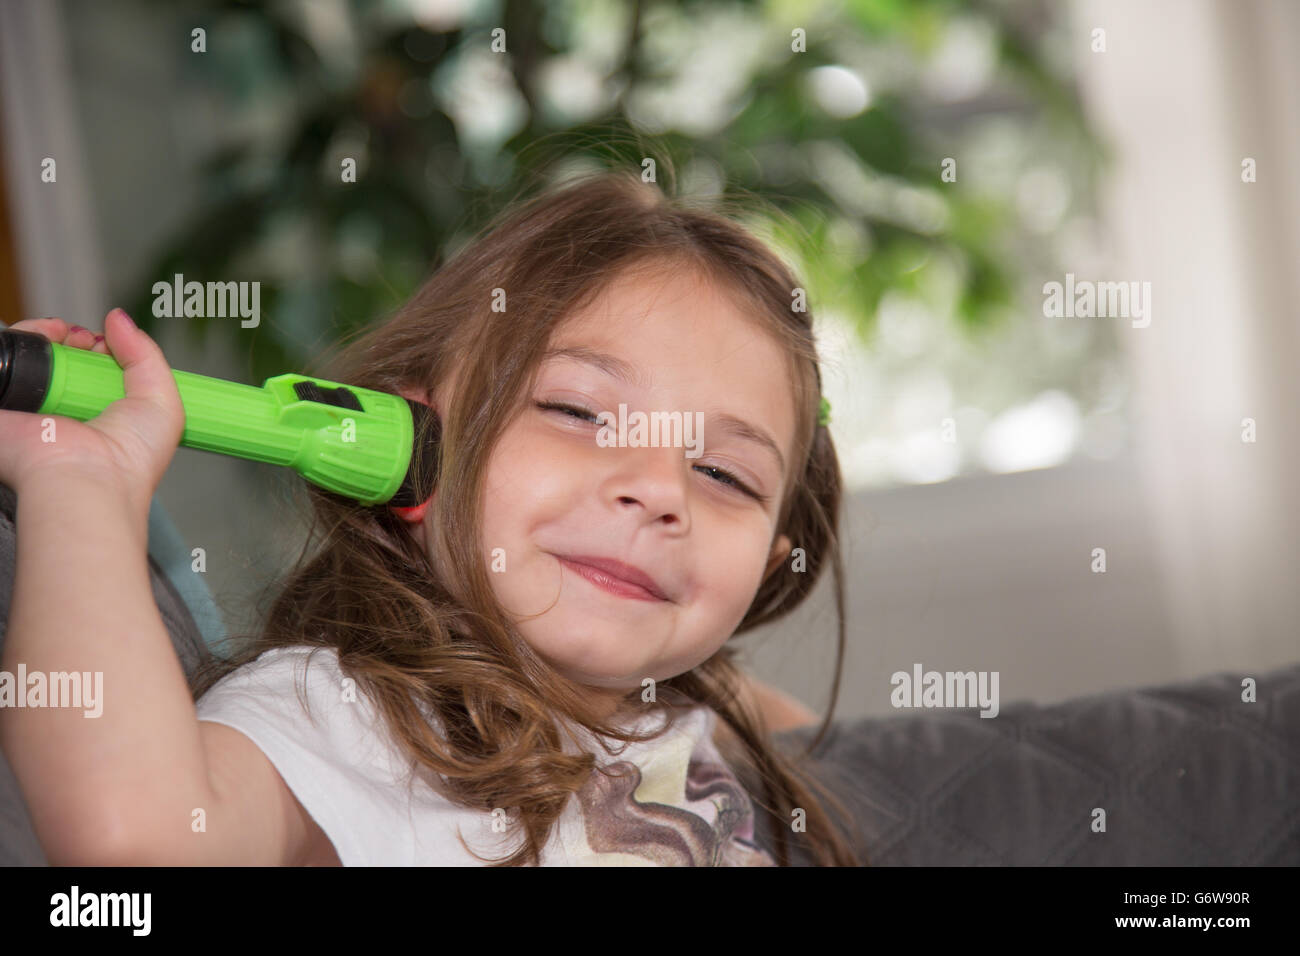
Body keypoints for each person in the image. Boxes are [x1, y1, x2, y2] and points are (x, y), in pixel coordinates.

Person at [0, 168, 861, 866]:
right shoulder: (345, 722)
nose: (662, 491)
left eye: (723, 474)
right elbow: (137, 837)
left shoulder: (685, 719)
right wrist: (81, 487)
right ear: (411, 445)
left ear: (769, 558)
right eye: (577, 412)